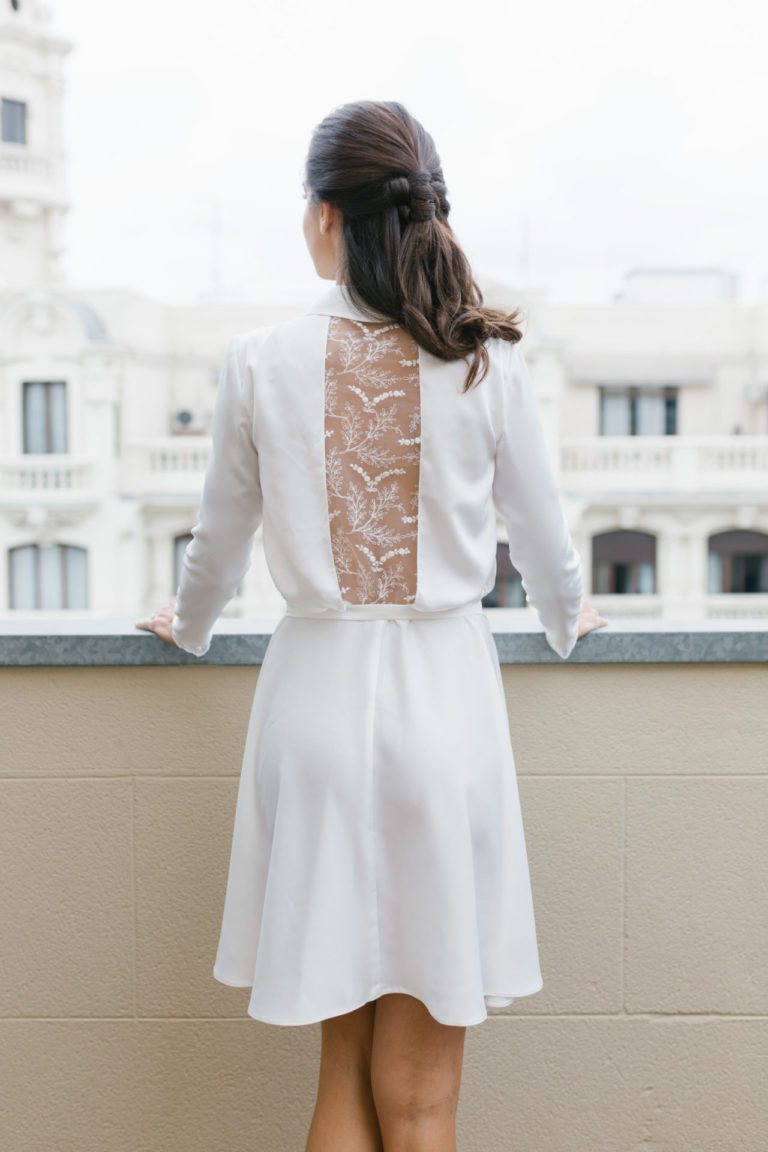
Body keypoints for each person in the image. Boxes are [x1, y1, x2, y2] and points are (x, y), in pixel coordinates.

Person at [135, 100, 607, 1152]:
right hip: (443, 714)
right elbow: (544, 548)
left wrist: (188, 622)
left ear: (327, 218)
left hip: (312, 712)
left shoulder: (258, 361)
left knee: (340, 1069)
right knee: (424, 1102)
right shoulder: (482, 358)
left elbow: (214, 547)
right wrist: (570, 621)